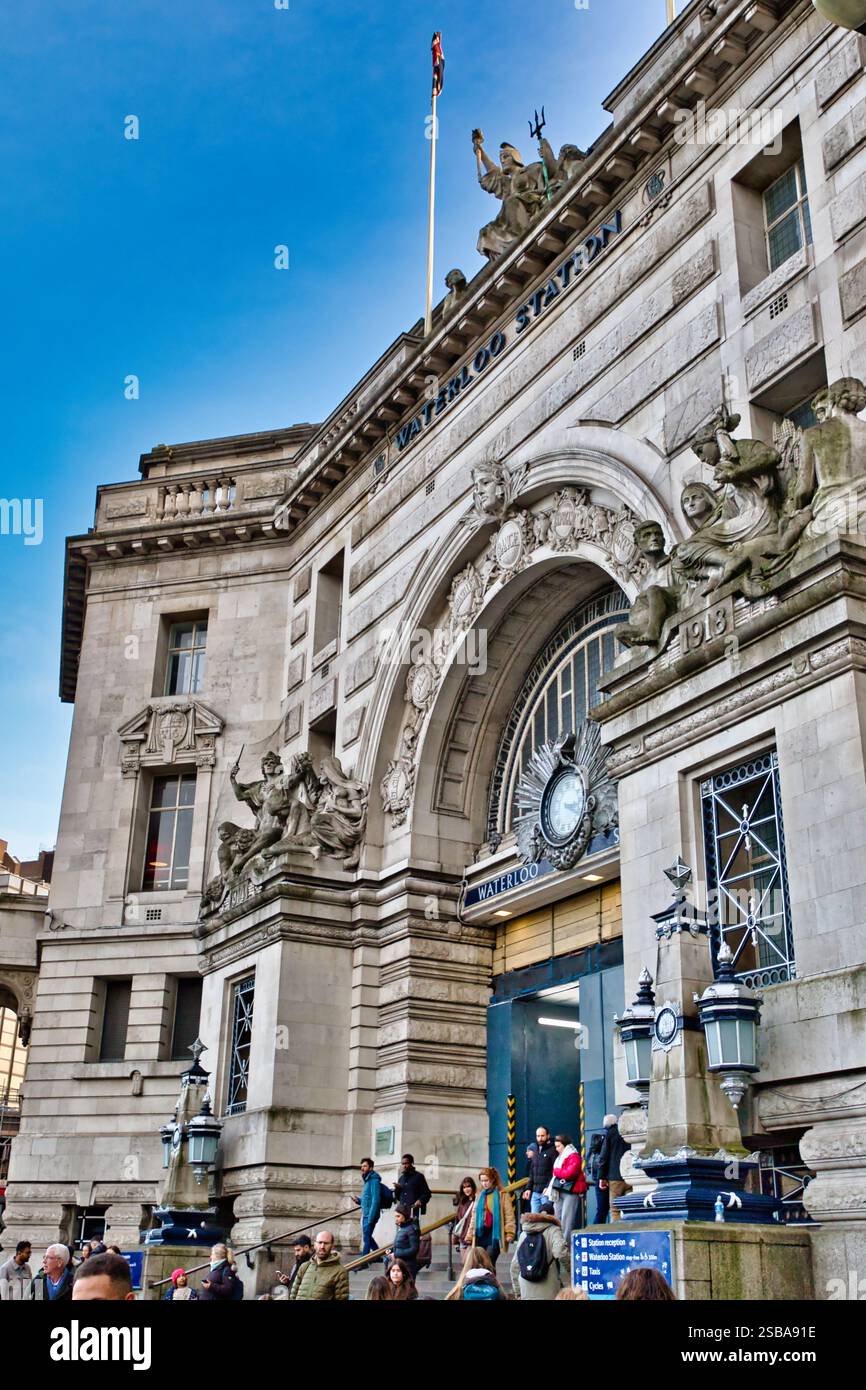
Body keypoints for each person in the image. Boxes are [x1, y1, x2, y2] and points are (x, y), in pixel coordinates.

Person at [509, 1199, 568, 1301]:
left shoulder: (524, 1233)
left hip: (525, 1287)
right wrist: (572, 1270)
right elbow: (560, 1253)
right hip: (549, 1288)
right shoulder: (554, 1230)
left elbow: (514, 1265)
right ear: (552, 1215)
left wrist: (518, 1292)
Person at [469, 1166, 515, 1268]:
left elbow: (509, 1215)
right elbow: (474, 1216)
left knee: (489, 1261)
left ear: (493, 1180)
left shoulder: (502, 1195)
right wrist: (469, 1235)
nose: (484, 1183)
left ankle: (491, 1282)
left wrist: (510, 1232)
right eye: (482, 1181)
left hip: (494, 1234)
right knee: (480, 1264)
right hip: (480, 1234)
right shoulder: (479, 1195)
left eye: (486, 1180)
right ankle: (487, 1282)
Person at [547, 1134, 587, 1246]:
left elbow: (570, 1173)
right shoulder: (561, 1157)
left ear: (565, 1146)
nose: (556, 1149)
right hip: (560, 1190)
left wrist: (557, 1171)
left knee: (567, 1219)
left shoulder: (573, 1156)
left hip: (571, 1191)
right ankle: (557, 1243)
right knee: (557, 1217)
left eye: (558, 1146)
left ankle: (565, 1246)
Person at [290, 1230, 349, 1301]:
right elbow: (293, 1295)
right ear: (315, 1245)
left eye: (326, 1243)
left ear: (332, 1246)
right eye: (320, 1242)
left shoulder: (339, 1272)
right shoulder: (305, 1266)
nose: (322, 1246)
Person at [598, 1114, 631, 1220]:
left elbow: (603, 1157)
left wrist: (601, 1177)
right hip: (631, 1175)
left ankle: (618, 1233)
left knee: (615, 1209)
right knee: (630, 1207)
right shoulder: (629, 1130)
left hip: (615, 1177)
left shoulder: (610, 1134)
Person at [352, 1156, 384, 1257]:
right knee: (367, 1237)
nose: (362, 1168)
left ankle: (363, 1261)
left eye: (365, 1166)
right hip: (366, 1213)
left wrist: (371, 1217)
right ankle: (378, 1255)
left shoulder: (374, 1181)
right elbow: (368, 1199)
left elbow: (376, 1200)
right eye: (361, 1166)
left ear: (371, 1168)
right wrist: (359, 1201)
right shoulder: (367, 1181)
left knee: (366, 1238)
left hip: (370, 1214)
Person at [523, 1126, 557, 1214]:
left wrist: (548, 1187)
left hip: (546, 1193)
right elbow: (532, 1172)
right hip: (535, 1193)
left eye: (542, 1136)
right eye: (538, 1136)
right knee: (534, 1220)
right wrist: (528, 1188)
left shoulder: (553, 1150)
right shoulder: (536, 1151)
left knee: (546, 1219)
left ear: (548, 1136)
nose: (540, 1138)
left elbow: (555, 1172)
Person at [386, 1204, 420, 1278]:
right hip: (400, 1266)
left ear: (405, 1216)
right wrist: (390, 1250)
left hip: (408, 1267)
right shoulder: (402, 1228)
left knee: (407, 1288)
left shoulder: (411, 1229)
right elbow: (400, 1245)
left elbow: (414, 1249)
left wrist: (396, 1254)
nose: (396, 1218)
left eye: (398, 1216)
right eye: (395, 1216)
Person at [585, 1132, 607, 1224]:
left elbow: (588, 1167)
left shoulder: (592, 1152)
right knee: (605, 1209)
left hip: (597, 1179)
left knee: (601, 1209)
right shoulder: (602, 1151)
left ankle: (596, 1230)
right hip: (604, 1180)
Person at [452, 1176, 477, 1253]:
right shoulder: (463, 1203)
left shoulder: (477, 1200)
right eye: (464, 1187)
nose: (466, 1189)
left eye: (468, 1186)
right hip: (463, 1239)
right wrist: (455, 1242)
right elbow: (459, 1221)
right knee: (465, 1263)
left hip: (473, 1238)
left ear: (473, 1187)